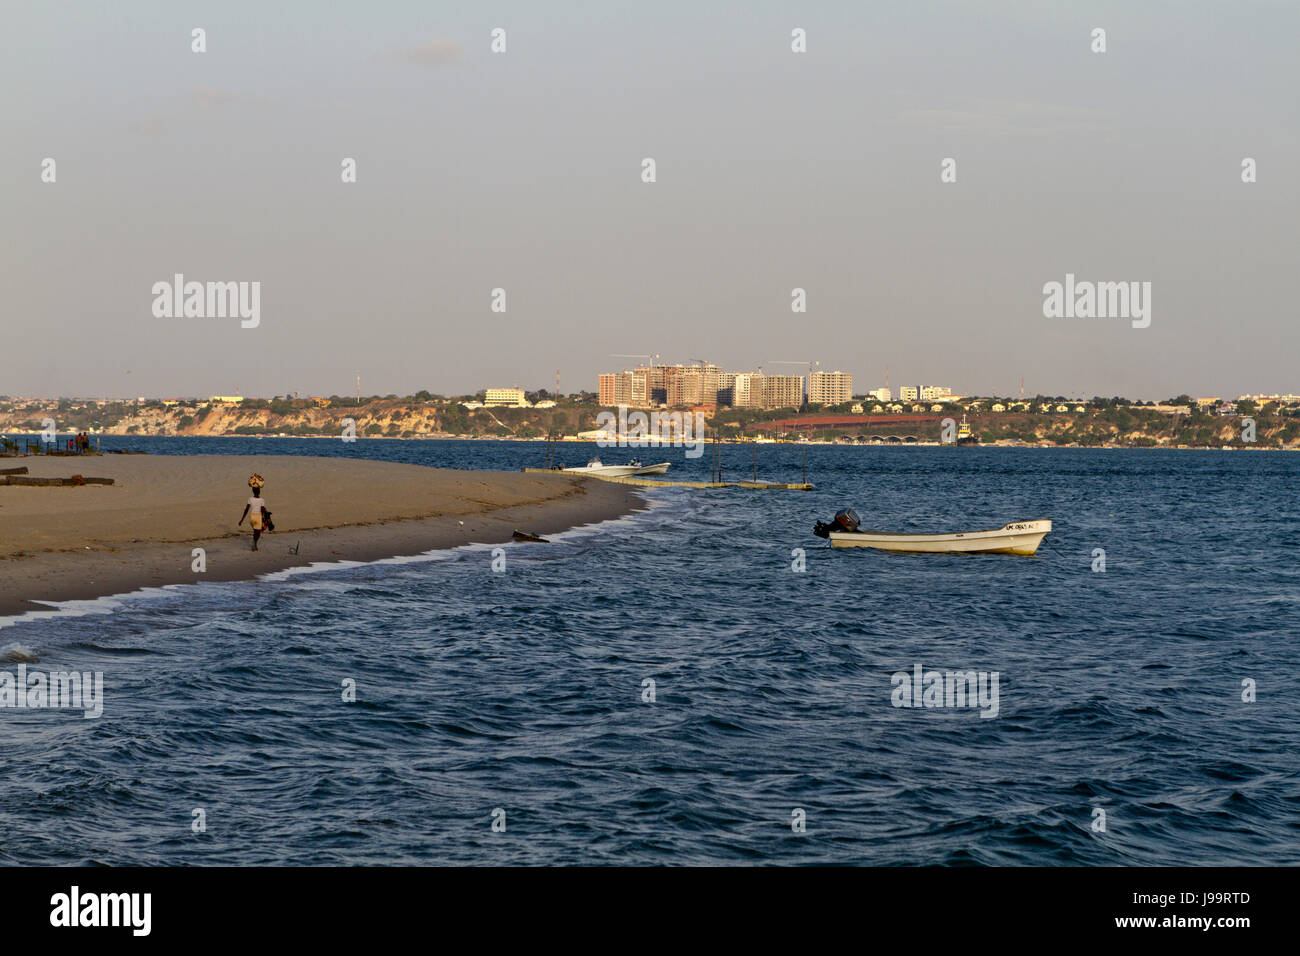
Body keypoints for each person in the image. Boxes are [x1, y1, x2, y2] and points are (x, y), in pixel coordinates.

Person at [239, 478, 269, 551]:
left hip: (252, 517)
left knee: (256, 532)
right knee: (258, 533)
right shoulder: (262, 500)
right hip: (258, 517)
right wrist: (265, 517)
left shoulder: (250, 499)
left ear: (253, 491)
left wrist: (242, 520)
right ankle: (254, 543)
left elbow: (246, 510)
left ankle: (254, 543)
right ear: (259, 492)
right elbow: (262, 510)